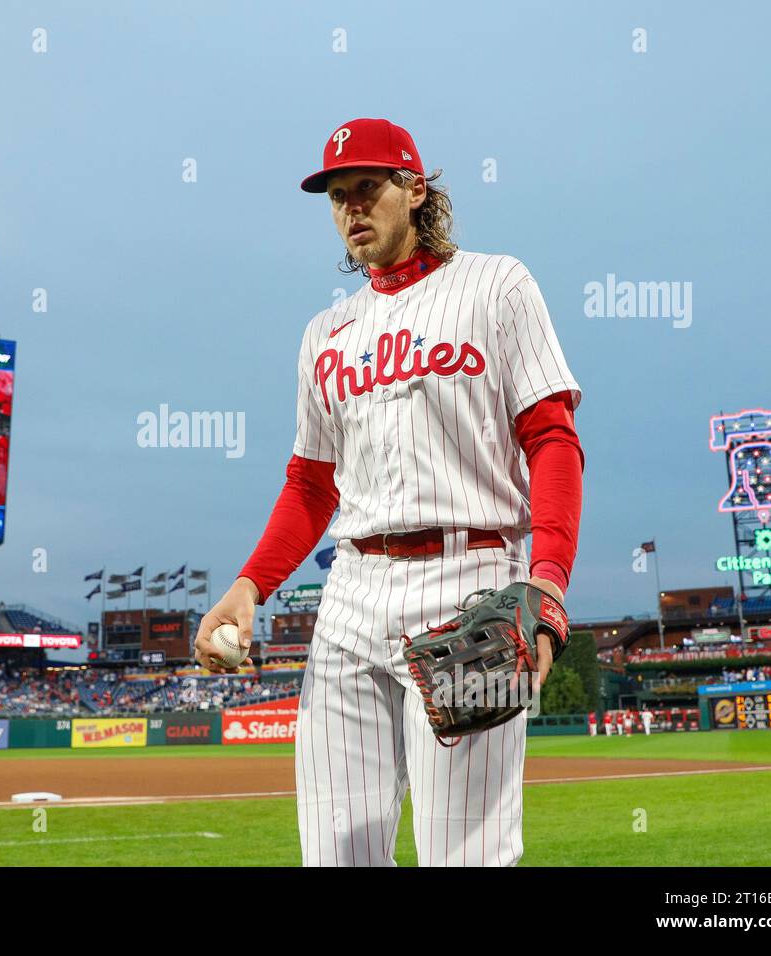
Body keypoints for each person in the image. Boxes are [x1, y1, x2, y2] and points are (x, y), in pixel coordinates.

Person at [193, 119, 584, 867]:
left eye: (367, 187)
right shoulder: (326, 333)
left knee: (465, 856)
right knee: (336, 856)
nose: (351, 207)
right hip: (349, 596)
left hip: (470, 586)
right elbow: (311, 483)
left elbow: (552, 438)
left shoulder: (496, 285)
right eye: (337, 195)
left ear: (416, 190)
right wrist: (250, 585)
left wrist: (548, 579)